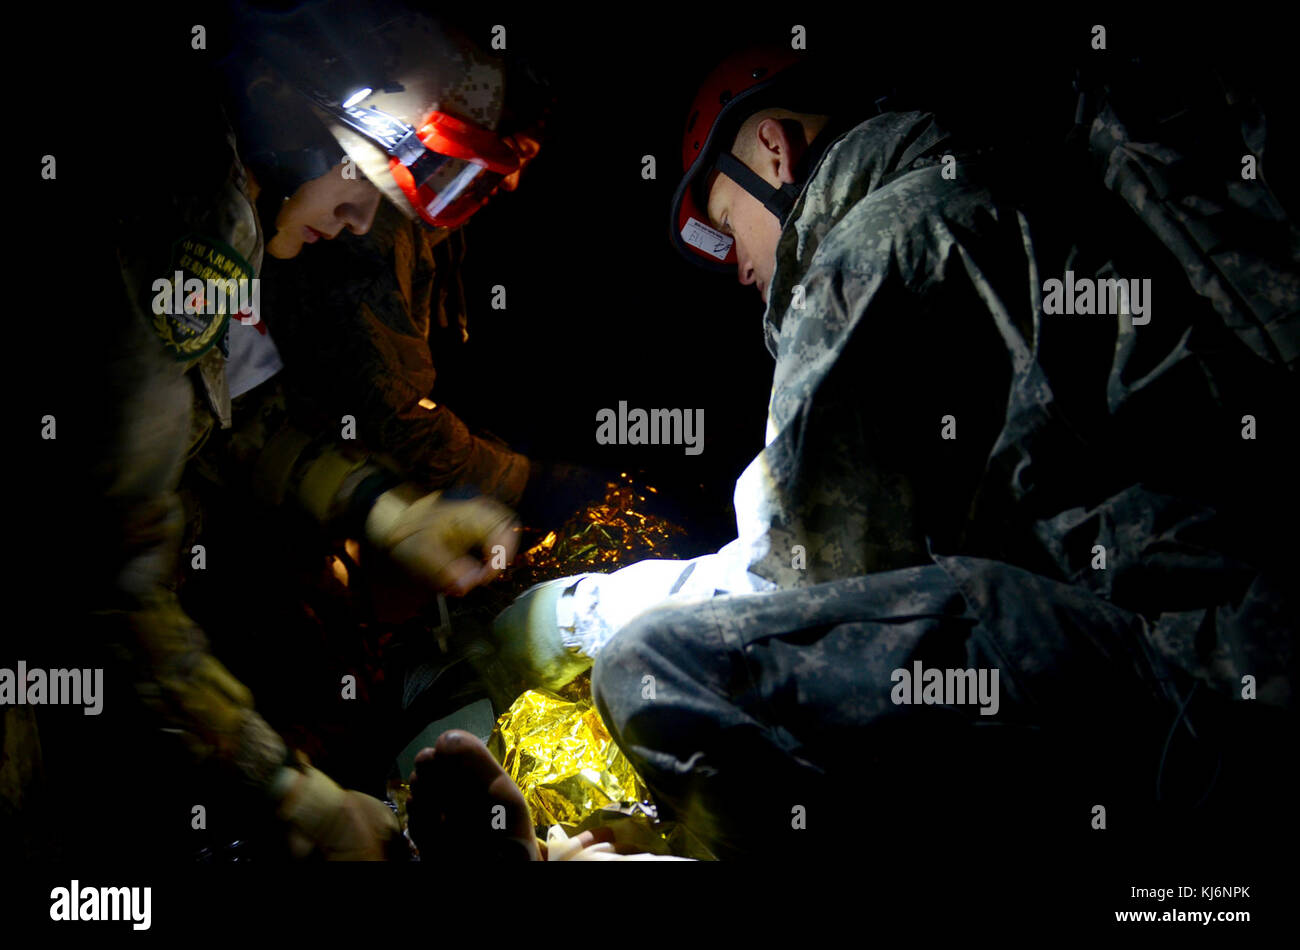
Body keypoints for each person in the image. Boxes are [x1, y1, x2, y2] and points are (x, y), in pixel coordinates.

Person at [484, 47, 1299, 858]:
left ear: (776, 148)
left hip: (1191, 683)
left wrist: (560, 623)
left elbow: (794, 573)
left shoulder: (876, 252)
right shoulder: (995, 191)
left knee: (656, 668)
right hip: (1227, 636)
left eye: (728, 223)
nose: (733, 265)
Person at [8, 0, 536, 862]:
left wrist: (388, 512)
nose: (362, 222)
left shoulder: (234, 216)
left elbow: (242, 424)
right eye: (359, 176)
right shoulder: (189, 223)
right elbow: (113, 583)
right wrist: (293, 795)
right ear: (295, 123)